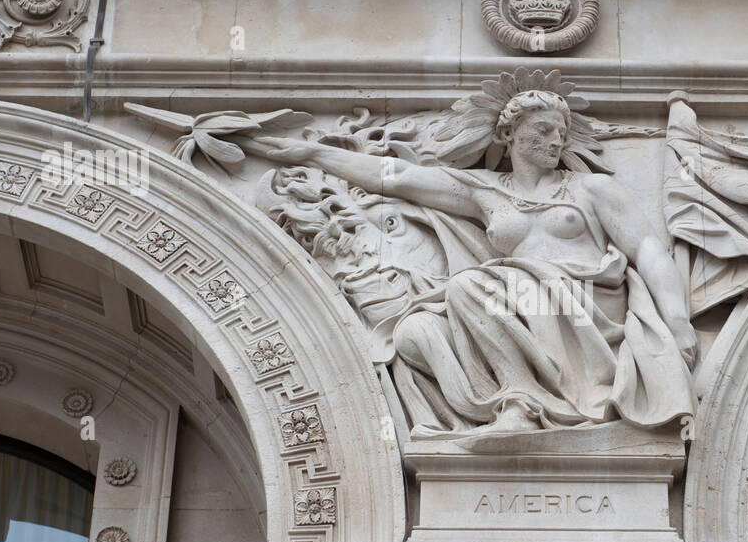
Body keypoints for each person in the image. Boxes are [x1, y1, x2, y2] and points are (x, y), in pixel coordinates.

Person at [242, 89, 696, 434]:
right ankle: (514, 398)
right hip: (521, 301)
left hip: (586, 302)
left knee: (472, 286)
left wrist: (678, 322)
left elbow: (649, 251)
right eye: (542, 130)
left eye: (561, 132)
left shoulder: (591, 189)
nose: (555, 140)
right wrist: (316, 154)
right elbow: (397, 177)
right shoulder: (485, 191)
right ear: (508, 134)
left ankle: (524, 400)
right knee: (425, 323)